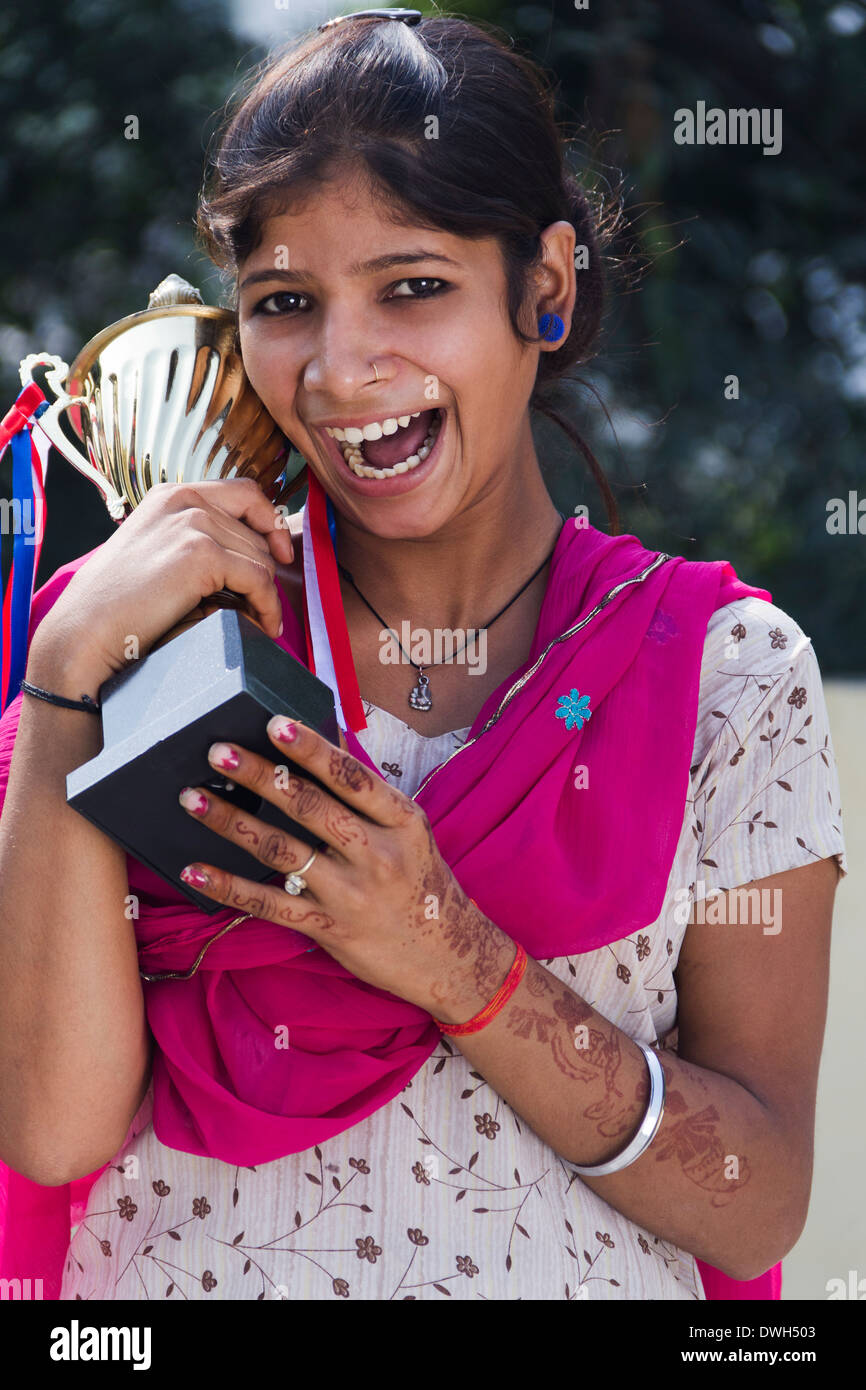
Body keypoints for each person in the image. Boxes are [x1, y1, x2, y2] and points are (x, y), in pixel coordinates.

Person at [0, 11, 846, 1301]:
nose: (344, 370)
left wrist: (451, 957)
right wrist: (60, 676)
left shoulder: (726, 678)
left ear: (544, 290)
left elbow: (759, 1199)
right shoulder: (137, 641)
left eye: (414, 287)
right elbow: (52, 1132)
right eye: (287, 303)